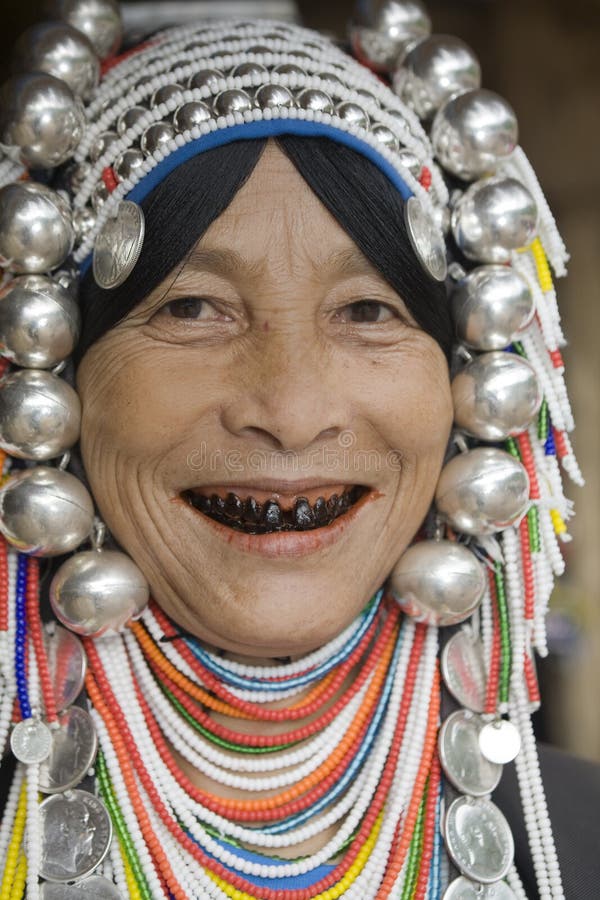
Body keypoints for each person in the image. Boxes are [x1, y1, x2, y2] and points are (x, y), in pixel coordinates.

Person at [0, 2, 598, 898]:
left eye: (368, 312)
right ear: (56, 375)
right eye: (192, 308)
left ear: (468, 386)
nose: (290, 410)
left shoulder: (581, 847)